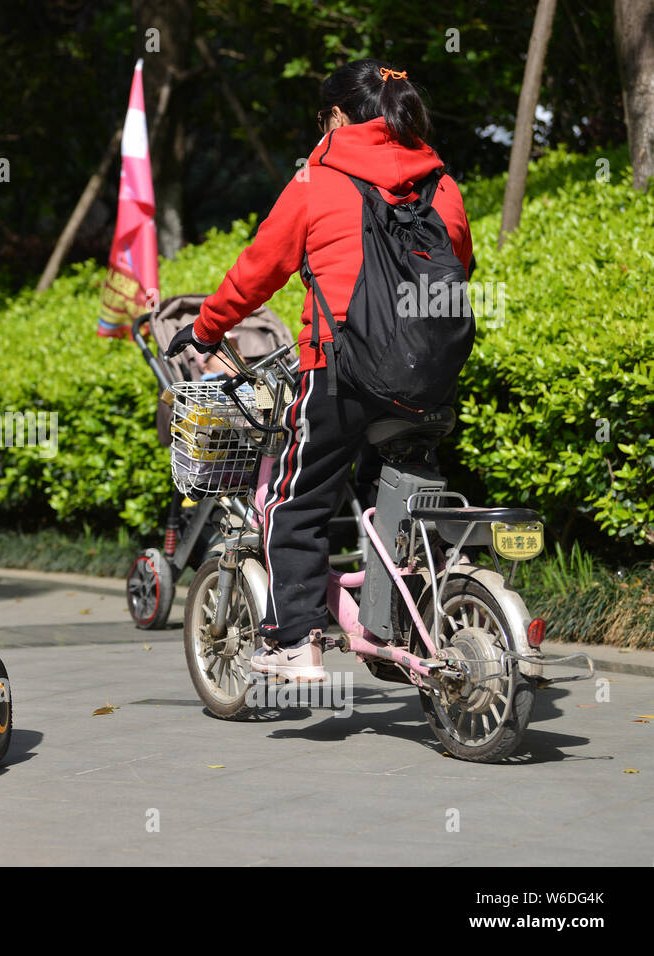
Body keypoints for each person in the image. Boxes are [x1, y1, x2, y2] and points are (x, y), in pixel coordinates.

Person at [166, 59, 474, 682]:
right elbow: (458, 262)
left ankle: (297, 639)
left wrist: (206, 328)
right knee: (400, 501)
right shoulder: (440, 180)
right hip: (429, 374)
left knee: (294, 500)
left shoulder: (317, 178)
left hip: (340, 373)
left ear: (336, 116)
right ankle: (410, 621)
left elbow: (259, 269)